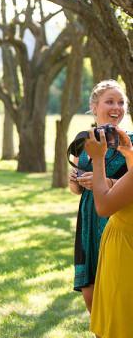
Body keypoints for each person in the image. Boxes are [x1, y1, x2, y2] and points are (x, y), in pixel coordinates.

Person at [68, 80, 130, 313]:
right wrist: (75, 180)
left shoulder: (129, 142)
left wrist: (103, 182)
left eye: (121, 102)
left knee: (114, 297)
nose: (117, 107)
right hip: (88, 222)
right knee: (91, 297)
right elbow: (76, 191)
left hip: (116, 221)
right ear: (94, 107)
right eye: (110, 101)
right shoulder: (82, 140)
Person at [84, 126, 133, 337]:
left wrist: (97, 159)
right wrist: (129, 153)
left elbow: (103, 206)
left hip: (126, 255)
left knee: (121, 323)